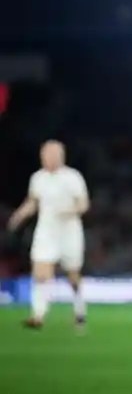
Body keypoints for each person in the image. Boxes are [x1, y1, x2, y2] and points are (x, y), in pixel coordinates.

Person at [7, 140, 91, 332]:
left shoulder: (72, 177)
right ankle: (38, 315)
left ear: (60, 156)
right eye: (45, 155)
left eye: (52, 154)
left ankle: (79, 310)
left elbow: (84, 204)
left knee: (73, 275)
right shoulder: (38, 178)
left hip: (69, 232)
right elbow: (33, 202)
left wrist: (69, 211)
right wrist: (19, 215)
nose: (47, 158)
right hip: (46, 230)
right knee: (40, 272)